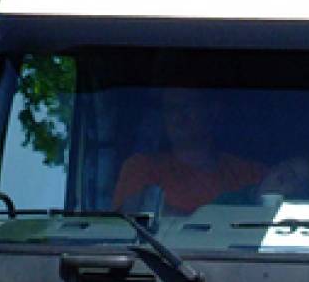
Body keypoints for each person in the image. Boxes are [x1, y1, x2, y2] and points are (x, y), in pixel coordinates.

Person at [112, 90, 264, 213]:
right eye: (170, 109)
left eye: (187, 107)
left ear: (212, 112)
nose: (177, 117)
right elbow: (129, 224)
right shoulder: (141, 168)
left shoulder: (249, 173)